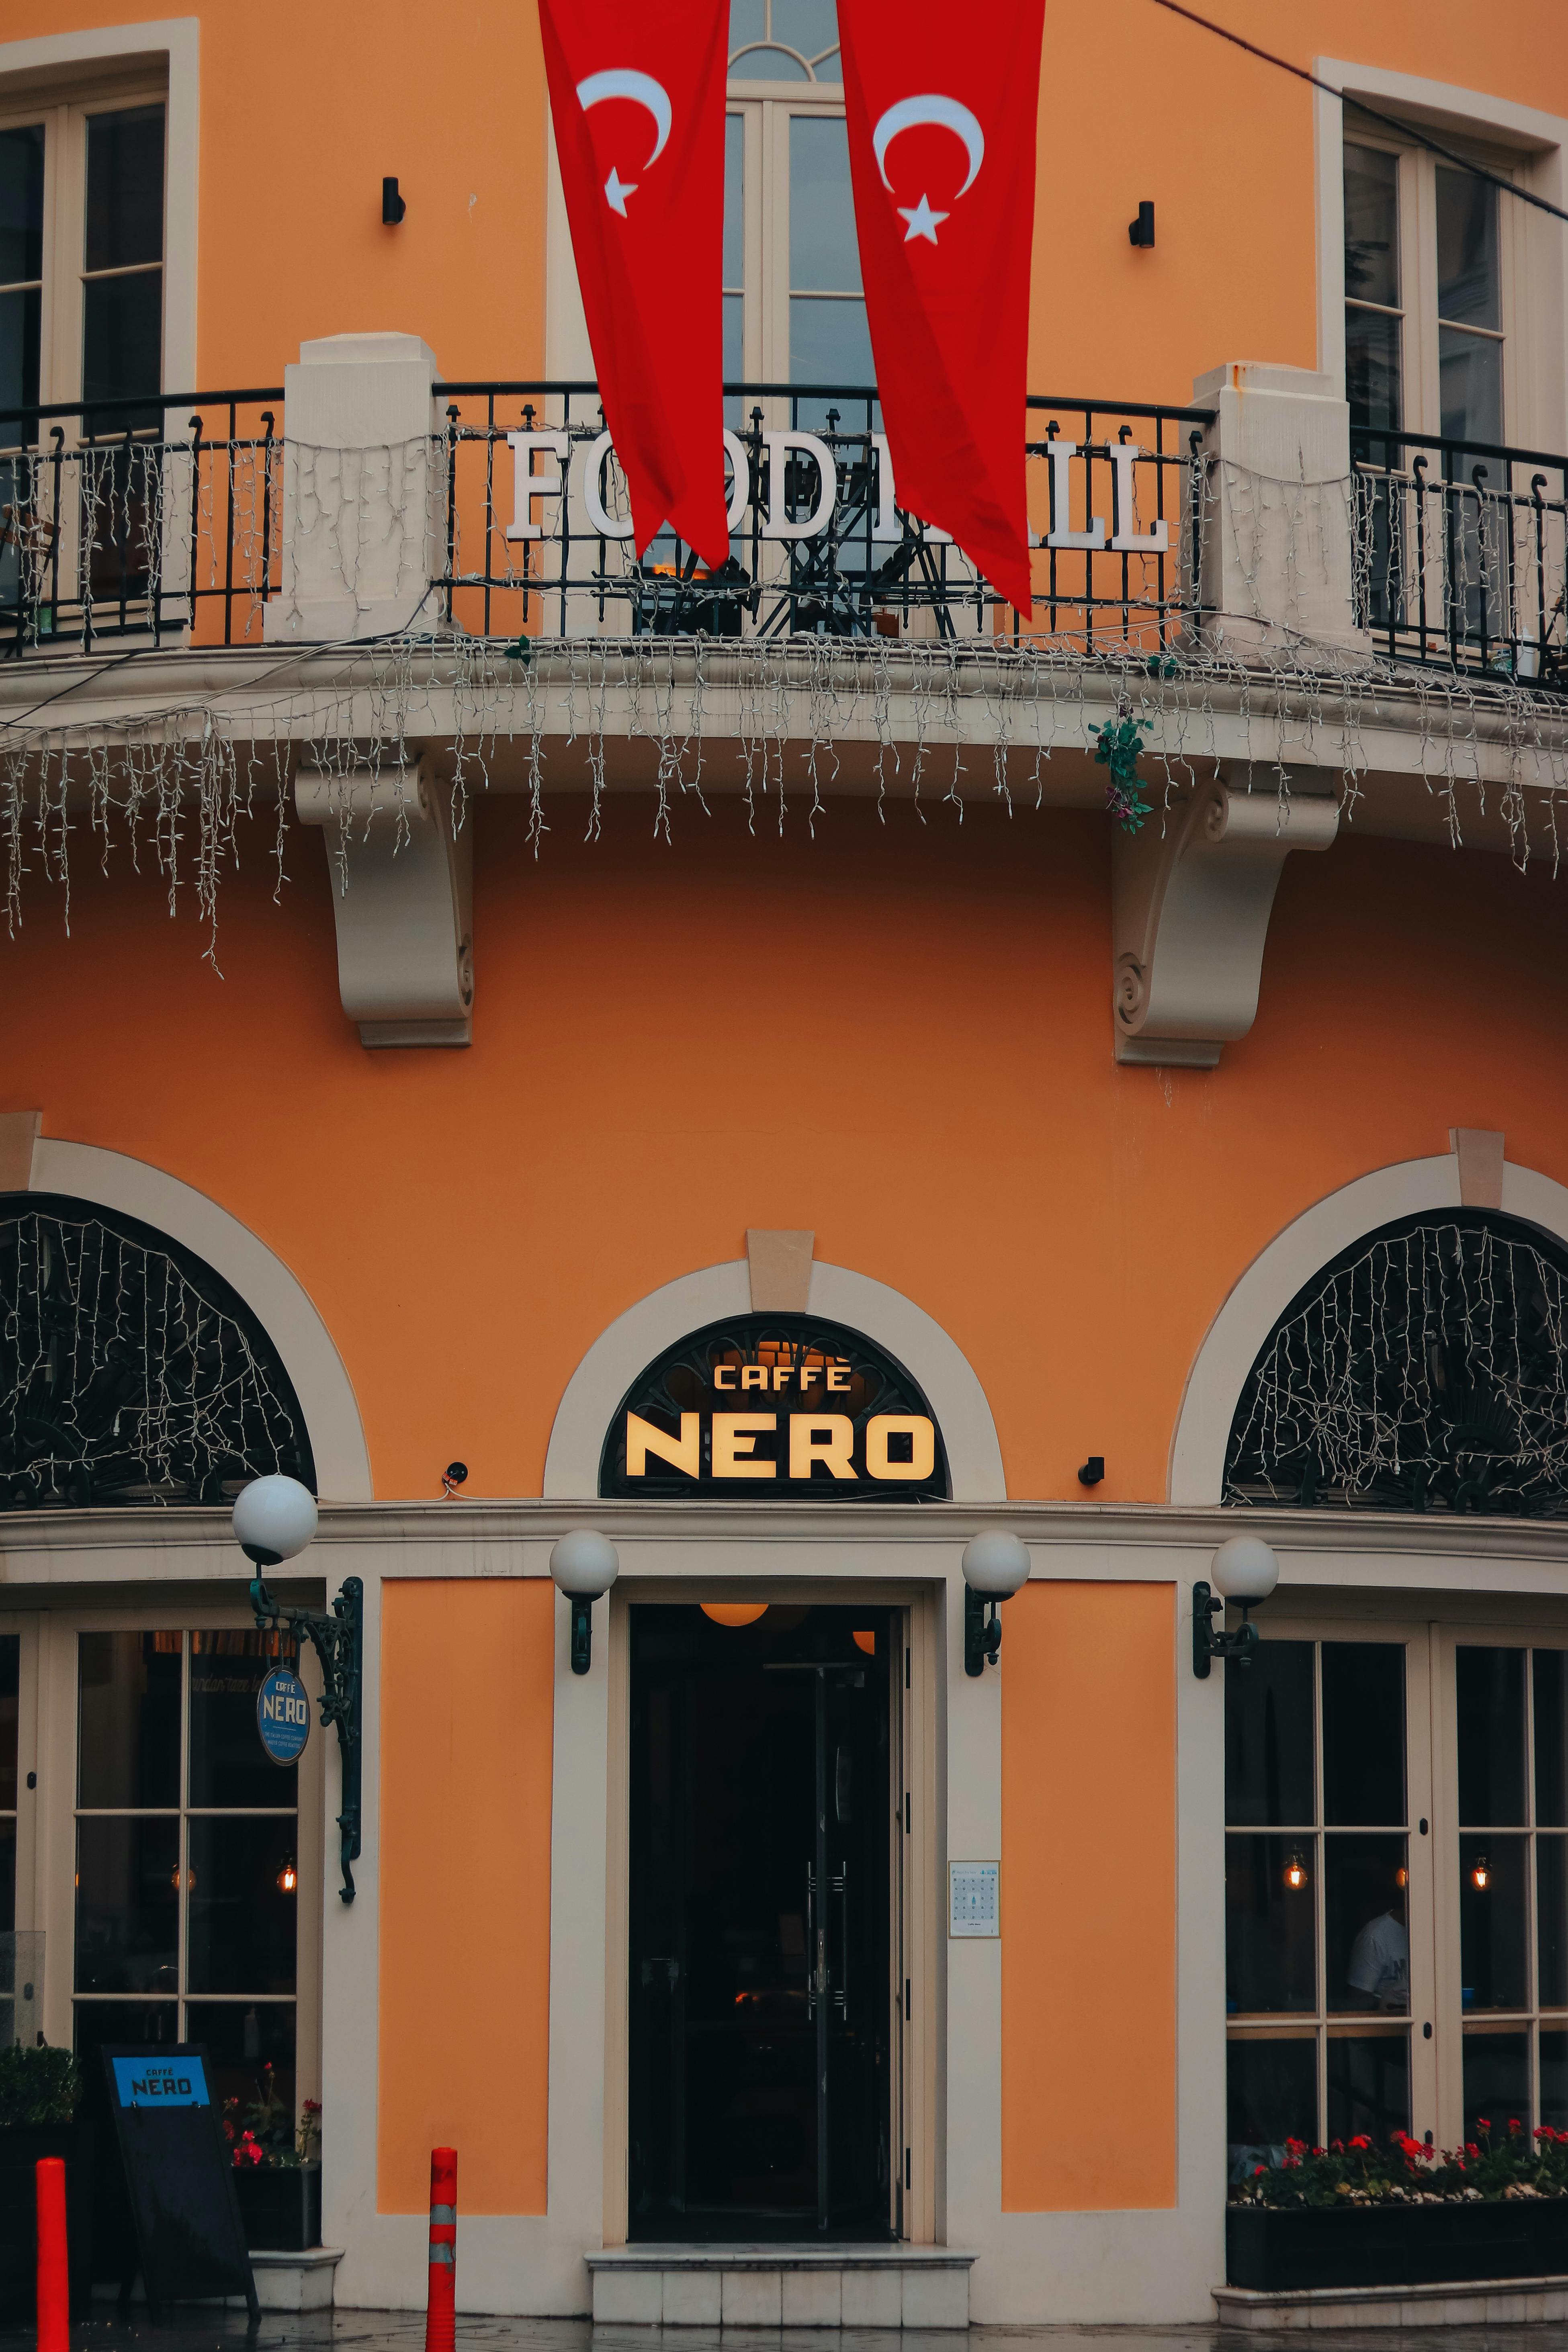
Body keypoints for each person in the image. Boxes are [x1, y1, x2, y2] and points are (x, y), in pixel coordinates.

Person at [1346, 1872, 1408, 2008]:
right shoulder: (1375, 1936)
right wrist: (1384, 2003)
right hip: (1387, 2024)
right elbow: (1358, 1999)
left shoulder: (1435, 1931)